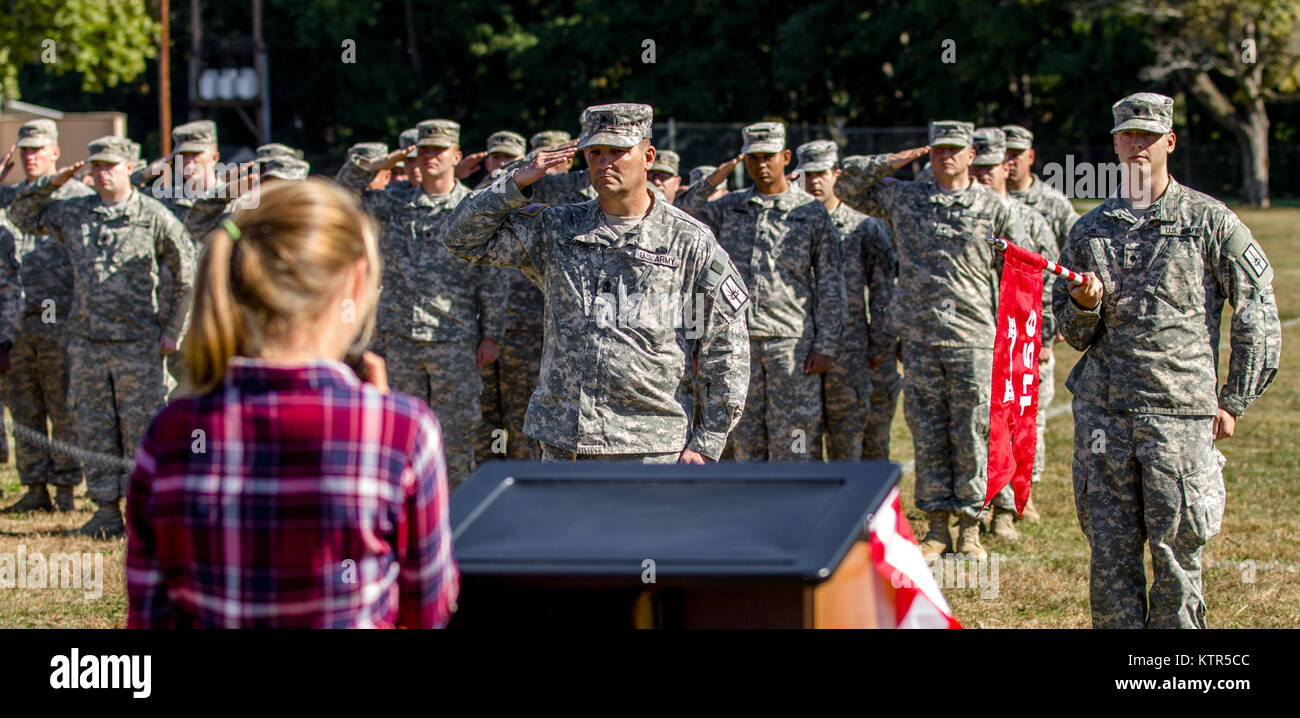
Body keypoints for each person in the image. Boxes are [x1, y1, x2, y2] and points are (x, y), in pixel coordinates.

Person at [125, 178, 458, 628]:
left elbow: (149, 614)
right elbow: (428, 609)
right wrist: (377, 432)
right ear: (356, 279)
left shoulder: (170, 431)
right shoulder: (405, 430)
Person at [1054, 92, 1281, 628]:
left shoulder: (1208, 222)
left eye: (1149, 136)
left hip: (1177, 418)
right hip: (1103, 420)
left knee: (1177, 564)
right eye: (1128, 135)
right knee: (1109, 564)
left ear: (1169, 143)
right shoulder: (1090, 230)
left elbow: (1257, 312)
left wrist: (1235, 400)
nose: (1138, 145)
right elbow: (1069, 330)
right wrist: (1086, 307)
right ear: (1115, 144)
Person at [443, 102, 750, 463]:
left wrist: (706, 441)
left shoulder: (689, 241)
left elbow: (727, 344)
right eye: (595, 152)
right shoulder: (557, 227)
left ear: (648, 156)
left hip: (649, 448)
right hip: (564, 441)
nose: (604, 163)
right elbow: (460, 237)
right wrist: (514, 182)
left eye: (618, 152)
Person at [837, 121, 1030, 560]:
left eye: (954, 149)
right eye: (938, 148)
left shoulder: (994, 208)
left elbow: (1017, 272)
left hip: (974, 340)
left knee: (971, 433)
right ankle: (937, 526)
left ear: (970, 155)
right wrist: (898, 159)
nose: (946, 156)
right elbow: (848, 182)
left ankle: (970, 528)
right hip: (921, 341)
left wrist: (1013, 335)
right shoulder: (906, 199)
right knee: (927, 433)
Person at [8, 136, 196, 537]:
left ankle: (144, 514)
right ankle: (106, 512)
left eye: (110, 164)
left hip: (138, 345)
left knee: (141, 430)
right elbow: (22, 214)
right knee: (94, 429)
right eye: (96, 165)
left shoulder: (153, 215)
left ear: (130, 167)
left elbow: (185, 275)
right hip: (88, 342)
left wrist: (172, 330)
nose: (102, 172)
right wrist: (56, 181)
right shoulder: (74, 212)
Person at [336, 120, 506, 488]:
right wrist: (381, 162)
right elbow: (342, 197)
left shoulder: (472, 207)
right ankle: (408, 518)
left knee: (457, 438)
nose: (429, 156)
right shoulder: (393, 203)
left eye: (438, 150)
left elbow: (492, 274)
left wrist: (492, 333)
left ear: (456, 156)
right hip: (400, 339)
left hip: (454, 339)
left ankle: (456, 523)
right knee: (401, 438)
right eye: (423, 150)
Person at [677, 122, 844, 461]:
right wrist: (714, 179)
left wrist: (826, 344)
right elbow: (681, 214)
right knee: (743, 440)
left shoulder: (810, 212)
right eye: (752, 158)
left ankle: (795, 511)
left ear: (785, 157)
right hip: (736, 345)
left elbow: (830, 281)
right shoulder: (728, 208)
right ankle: (753, 512)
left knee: (795, 439)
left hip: (792, 347)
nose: (761, 165)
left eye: (768, 156)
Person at [968, 126, 1059, 540]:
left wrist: (1043, 334)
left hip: (1017, 339)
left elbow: (1050, 275)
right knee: (978, 424)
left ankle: (1009, 504)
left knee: (1016, 421)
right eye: (979, 165)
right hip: (974, 335)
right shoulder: (967, 212)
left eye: (992, 166)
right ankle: (978, 503)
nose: (985, 173)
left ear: (1007, 166)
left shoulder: (1029, 219)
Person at [0, 121, 95, 512]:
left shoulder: (77, 197)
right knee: (25, 406)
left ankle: (67, 489)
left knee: (63, 407)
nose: (30, 155)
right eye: (24, 150)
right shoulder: (9, 198)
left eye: (38, 149)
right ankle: (35, 487)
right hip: (18, 319)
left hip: (60, 316)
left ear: (55, 151)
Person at [795, 139, 893, 461]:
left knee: (847, 436)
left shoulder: (863, 225)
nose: (814, 181)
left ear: (836, 173)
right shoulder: (791, 222)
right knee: (801, 436)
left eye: (821, 173)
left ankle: (849, 509)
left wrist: (879, 345)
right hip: (800, 344)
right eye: (807, 175)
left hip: (850, 350)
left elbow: (881, 289)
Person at [1003, 124, 1080, 522]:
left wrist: (1056, 323)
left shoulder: (1051, 203)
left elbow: (1073, 260)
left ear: (1031, 156)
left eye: (1017, 152)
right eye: (1005, 152)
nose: (1010, 159)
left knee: (1030, 413)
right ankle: (997, 491)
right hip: (998, 328)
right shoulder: (989, 198)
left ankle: (1025, 491)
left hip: (1036, 328)